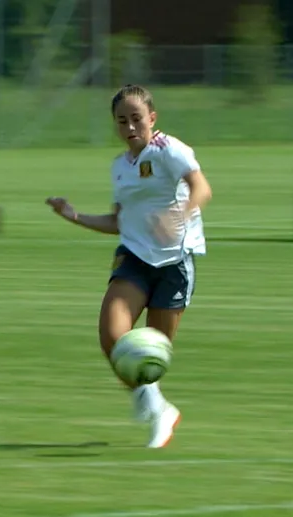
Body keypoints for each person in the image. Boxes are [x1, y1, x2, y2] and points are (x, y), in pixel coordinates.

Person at [45, 84, 213, 448]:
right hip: (134, 258)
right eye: (122, 121)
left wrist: (181, 216)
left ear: (152, 118)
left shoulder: (170, 150)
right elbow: (119, 221)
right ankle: (157, 406)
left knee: (153, 355)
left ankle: (154, 404)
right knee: (113, 337)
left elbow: (201, 188)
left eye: (137, 119)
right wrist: (73, 215)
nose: (130, 127)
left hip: (175, 262)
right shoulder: (120, 167)